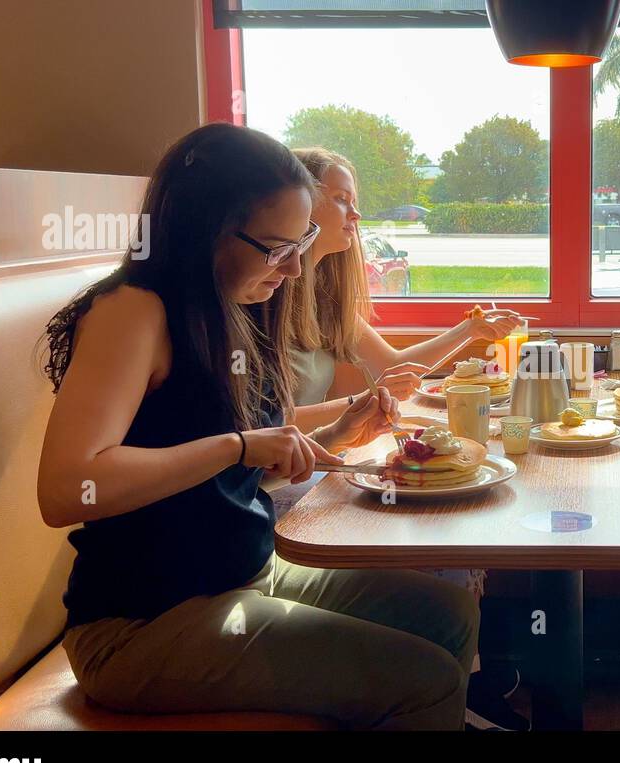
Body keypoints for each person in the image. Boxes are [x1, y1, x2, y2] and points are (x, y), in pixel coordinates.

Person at [38, 123, 479, 730]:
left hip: (248, 576)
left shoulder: (234, 310)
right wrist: (235, 446)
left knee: (449, 613)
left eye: (302, 243)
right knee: (422, 680)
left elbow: (230, 478)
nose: (296, 270)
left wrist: (326, 440)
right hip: (143, 624)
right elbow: (66, 488)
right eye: (277, 248)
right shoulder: (134, 311)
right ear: (205, 229)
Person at [271, 147, 528, 730]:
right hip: (283, 479)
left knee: (443, 515)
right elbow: (267, 422)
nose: (354, 217)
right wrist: (350, 411)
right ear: (295, 198)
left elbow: (391, 367)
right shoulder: (264, 290)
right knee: (431, 522)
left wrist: (469, 331)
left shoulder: (324, 294)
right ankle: (457, 685)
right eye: (341, 200)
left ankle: (463, 682)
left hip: (312, 461)